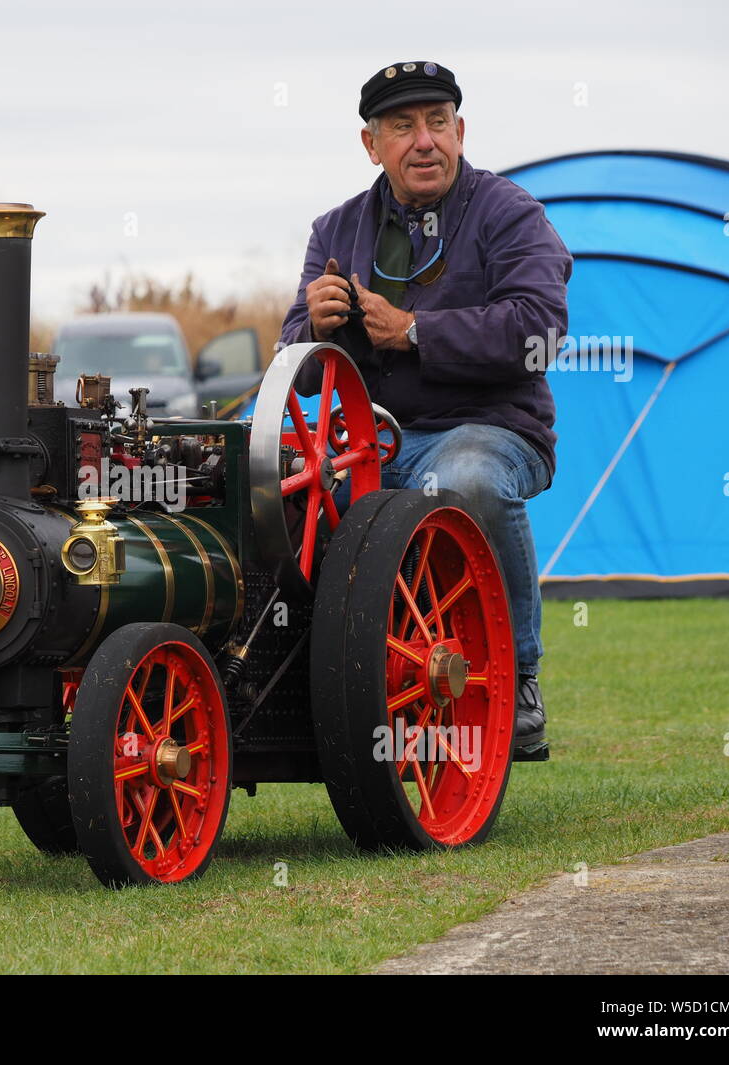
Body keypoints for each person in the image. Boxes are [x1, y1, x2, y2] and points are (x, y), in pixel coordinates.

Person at [279, 60, 572, 750]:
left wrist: (415, 331)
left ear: (460, 131)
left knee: (468, 477)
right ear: (370, 144)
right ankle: (306, 676)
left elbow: (540, 330)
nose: (424, 141)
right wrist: (311, 330)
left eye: (438, 123)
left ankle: (519, 678)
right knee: (264, 480)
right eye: (404, 126)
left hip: (494, 430)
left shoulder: (511, 213)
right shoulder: (335, 230)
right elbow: (294, 369)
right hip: (372, 443)